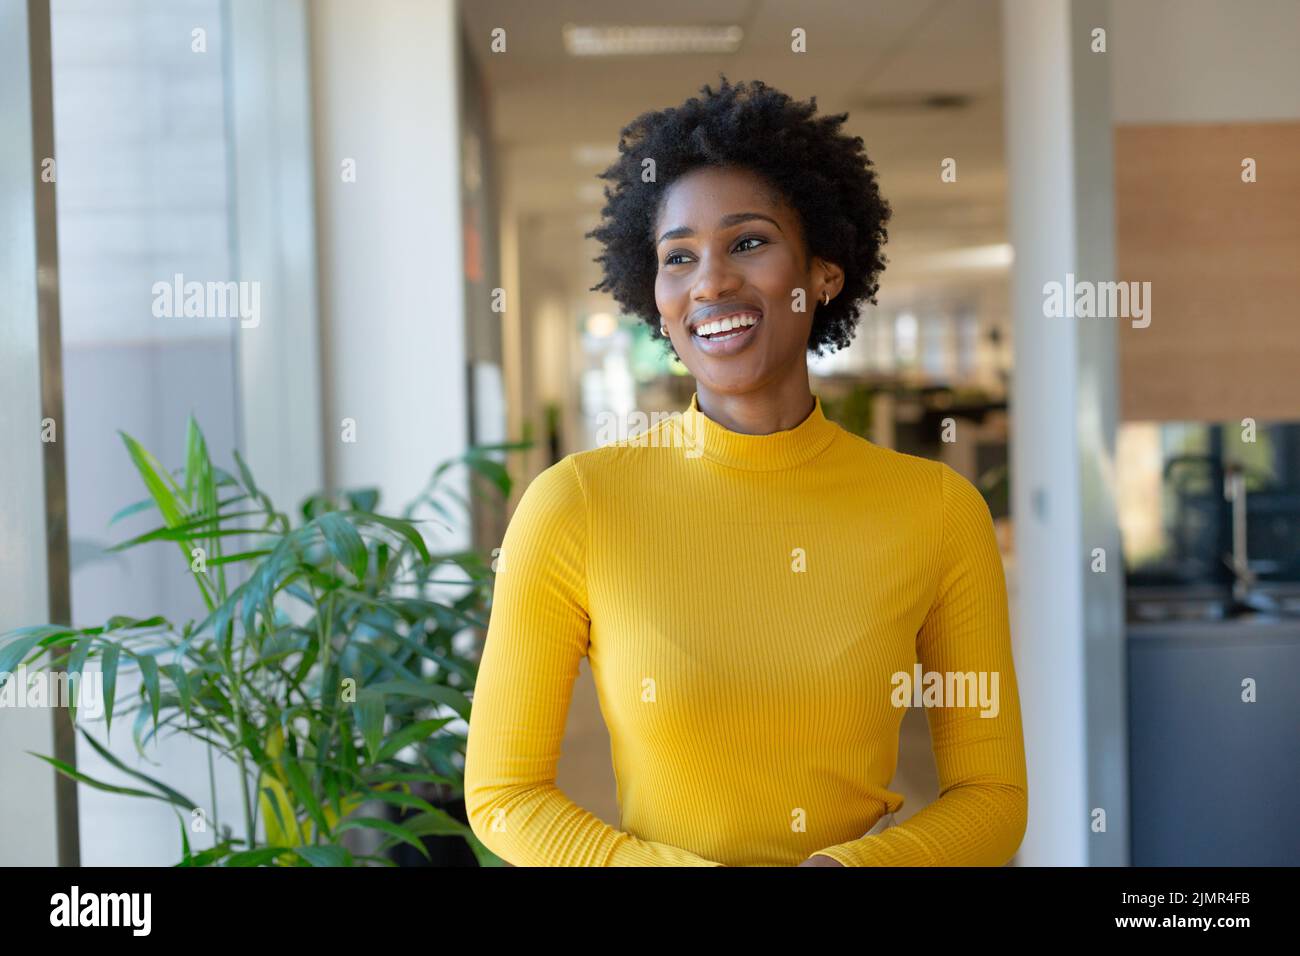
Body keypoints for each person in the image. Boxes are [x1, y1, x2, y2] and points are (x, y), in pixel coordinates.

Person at [463, 76, 1028, 866]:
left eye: (749, 242)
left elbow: (992, 799)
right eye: (678, 257)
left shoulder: (935, 508)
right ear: (654, 296)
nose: (710, 282)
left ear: (823, 272)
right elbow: (503, 793)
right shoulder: (577, 505)